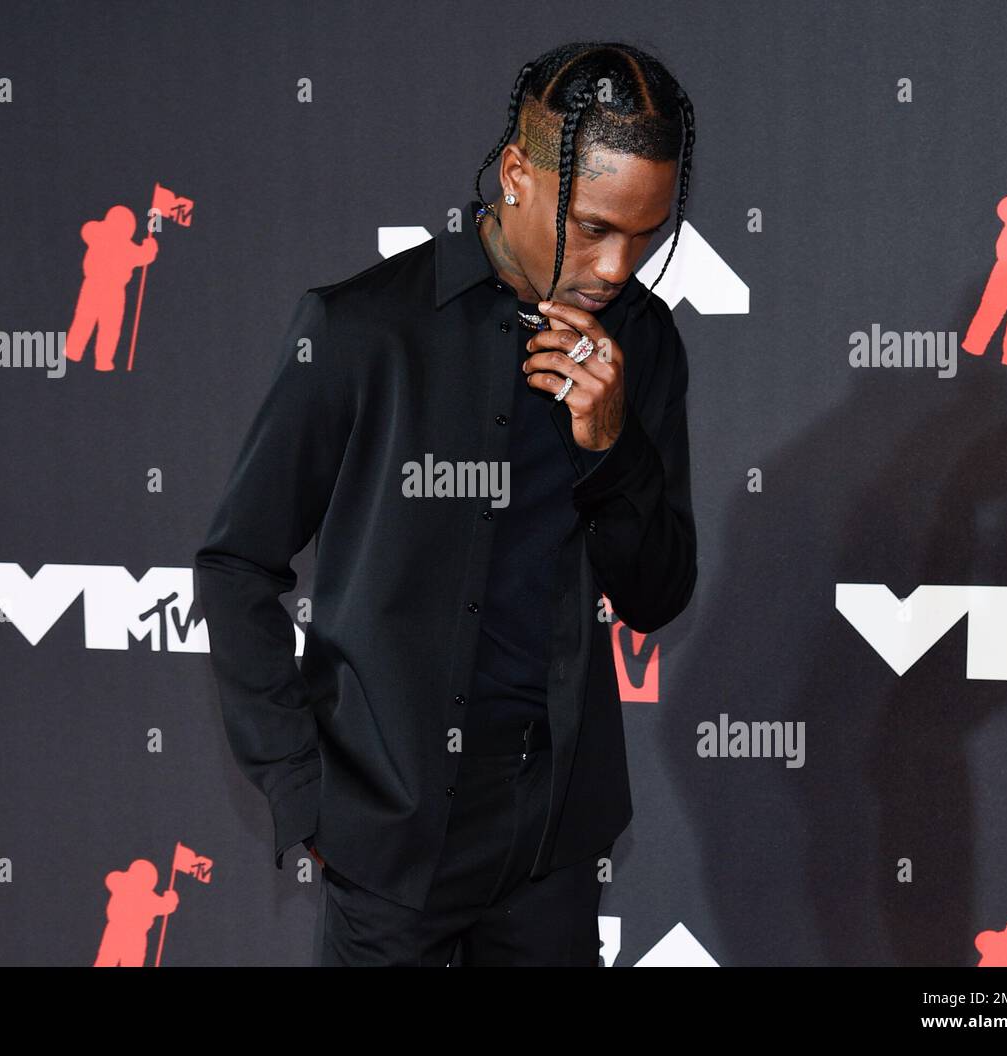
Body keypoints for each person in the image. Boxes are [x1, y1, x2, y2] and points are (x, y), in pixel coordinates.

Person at [195, 40, 698, 966]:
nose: (620, 266)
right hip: (389, 845)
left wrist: (611, 448)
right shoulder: (360, 330)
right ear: (516, 174)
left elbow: (656, 593)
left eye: (647, 234)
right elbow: (235, 566)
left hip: (551, 845)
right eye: (593, 227)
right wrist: (306, 795)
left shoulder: (642, 345)